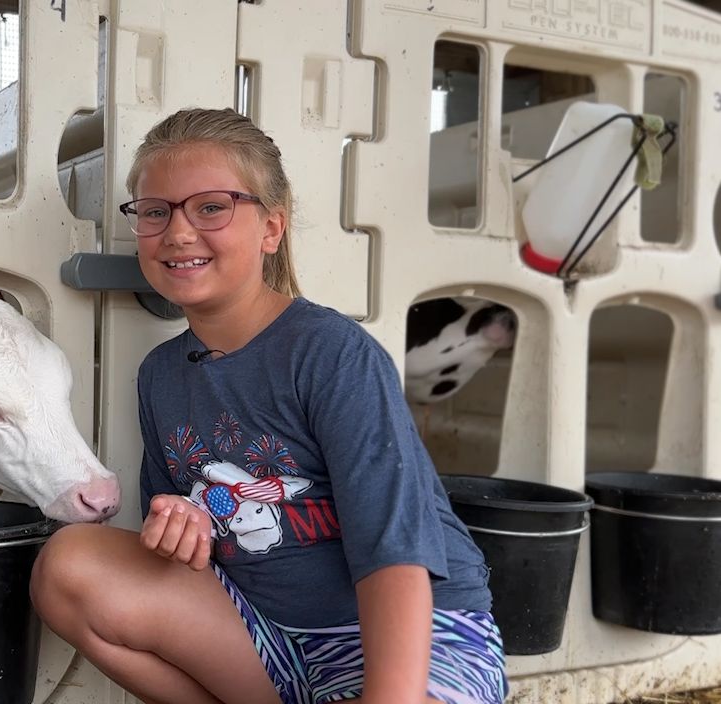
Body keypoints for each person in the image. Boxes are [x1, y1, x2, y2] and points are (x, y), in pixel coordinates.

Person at [29, 107, 508, 704]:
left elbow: (395, 550)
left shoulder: (331, 352)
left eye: (211, 207)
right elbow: (182, 536)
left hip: (409, 634)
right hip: (263, 635)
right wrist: (180, 525)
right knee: (67, 567)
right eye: (155, 212)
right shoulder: (160, 376)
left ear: (271, 229)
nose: (178, 232)